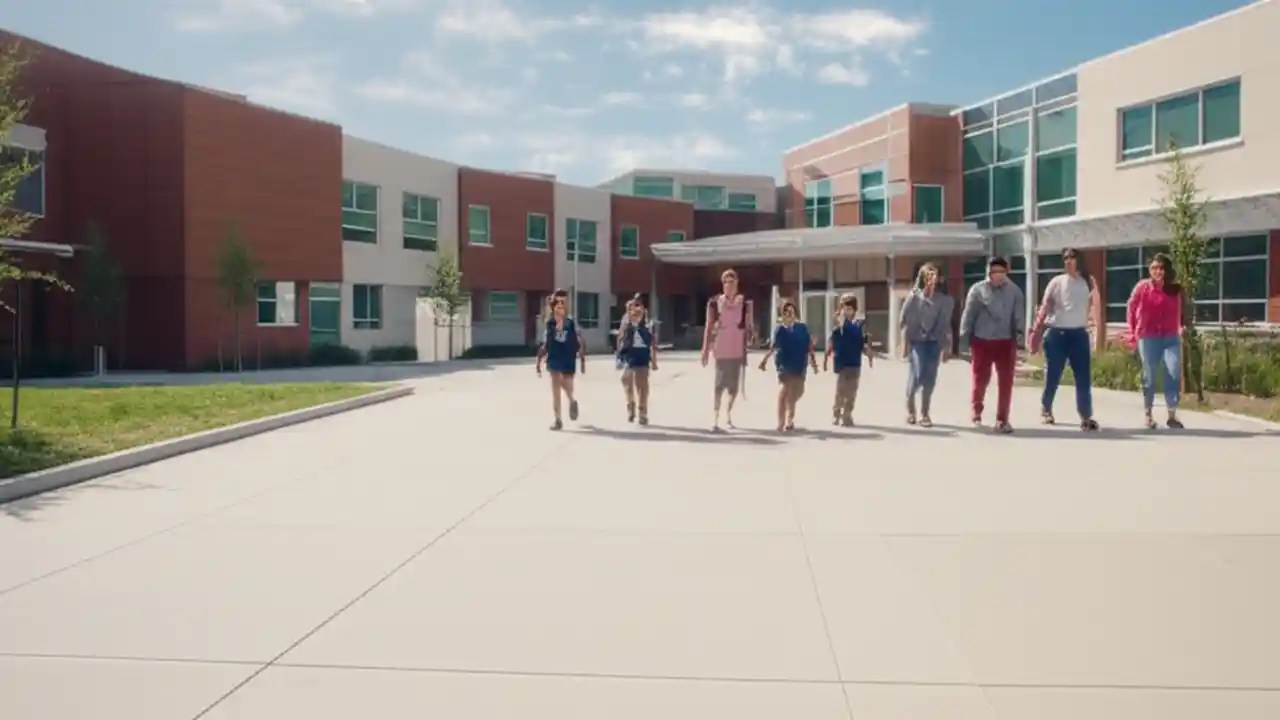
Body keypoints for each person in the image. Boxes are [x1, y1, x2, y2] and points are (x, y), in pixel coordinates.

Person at [1030, 248, 1101, 431]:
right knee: (1053, 375)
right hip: (1057, 335)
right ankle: (1046, 408)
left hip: (1079, 334)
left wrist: (1098, 336)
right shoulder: (1057, 282)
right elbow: (1044, 308)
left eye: (1072, 257)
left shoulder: (1089, 282)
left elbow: (1095, 309)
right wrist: (1035, 334)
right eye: (1066, 258)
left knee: (1083, 378)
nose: (1068, 261)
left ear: (1079, 260)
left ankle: (1086, 416)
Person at [959, 256, 1025, 434]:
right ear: (988, 272)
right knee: (980, 379)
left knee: (1006, 382)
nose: (997, 275)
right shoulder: (978, 290)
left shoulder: (1015, 292)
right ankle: (976, 411)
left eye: (1001, 272)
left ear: (1006, 272)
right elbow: (968, 316)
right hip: (982, 341)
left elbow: (1019, 317)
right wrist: (964, 341)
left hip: (1005, 342)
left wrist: (1020, 339)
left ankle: (1002, 419)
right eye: (994, 271)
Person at [1125, 252, 1185, 430]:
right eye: (1153, 268)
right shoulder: (1142, 287)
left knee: (1173, 372)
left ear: (1166, 270)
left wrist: (1182, 326)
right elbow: (1131, 307)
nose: (1157, 271)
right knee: (1149, 376)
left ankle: (1172, 415)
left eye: (1160, 268)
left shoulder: (1175, 289)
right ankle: (1148, 414)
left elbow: (1181, 311)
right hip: (1148, 336)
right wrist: (1133, 331)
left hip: (1170, 337)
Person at [899, 262, 954, 428]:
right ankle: (910, 410)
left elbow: (945, 324)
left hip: (934, 342)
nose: (932, 278)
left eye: (935, 275)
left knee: (930, 378)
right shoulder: (913, 297)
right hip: (917, 342)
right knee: (917, 375)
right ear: (923, 277)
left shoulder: (944, 300)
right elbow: (904, 321)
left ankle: (924, 413)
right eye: (929, 275)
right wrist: (905, 344)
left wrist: (946, 347)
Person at [701, 268, 754, 432]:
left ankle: (727, 412)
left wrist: (751, 336)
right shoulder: (715, 302)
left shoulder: (744, 303)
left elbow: (749, 325)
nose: (729, 285)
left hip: (737, 347)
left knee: (734, 387)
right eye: (726, 282)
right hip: (721, 347)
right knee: (719, 384)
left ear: (737, 283)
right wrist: (705, 349)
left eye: (732, 282)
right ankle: (715, 416)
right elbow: (708, 326)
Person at [758, 299, 818, 432]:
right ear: (783, 314)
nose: (789, 314)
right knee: (787, 391)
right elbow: (774, 346)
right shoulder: (780, 329)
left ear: (795, 313)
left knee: (798, 391)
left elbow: (809, 346)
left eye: (791, 311)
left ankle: (787, 414)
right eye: (786, 312)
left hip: (799, 365)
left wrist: (813, 363)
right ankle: (786, 421)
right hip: (785, 364)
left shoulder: (802, 328)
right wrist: (765, 360)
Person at [535, 293, 585, 431]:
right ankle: (558, 418)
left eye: (562, 307)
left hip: (567, 358)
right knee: (556, 388)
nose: (560, 309)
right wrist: (538, 362)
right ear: (553, 308)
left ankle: (571, 401)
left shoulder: (568, 323)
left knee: (565, 385)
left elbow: (579, 340)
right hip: (556, 358)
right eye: (557, 307)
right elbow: (545, 343)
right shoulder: (552, 323)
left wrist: (582, 357)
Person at [823, 293, 874, 427]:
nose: (847, 312)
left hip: (855, 364)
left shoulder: (858, 327)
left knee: (851, 393)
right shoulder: (838, 328)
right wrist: (826, 356)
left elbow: (862, 344)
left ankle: (847, 415)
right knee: (840, 391)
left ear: (854, 311)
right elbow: (831, 342)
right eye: (844, 309)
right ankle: (836, 413)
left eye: (850, 309)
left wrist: (868, 354)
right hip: (842, 364)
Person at [616, 294, 658, 425]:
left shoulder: (647, 326)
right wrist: (618, 358)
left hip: (643, 359)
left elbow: (653, 344)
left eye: (638, 311)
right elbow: (620, 340)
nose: (635, 314)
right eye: (633, 311)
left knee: (642, 387)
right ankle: (631, 406)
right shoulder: (627, 325)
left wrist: (655, 361)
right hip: (629, 359)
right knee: (626, 382)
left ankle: (642, 412)